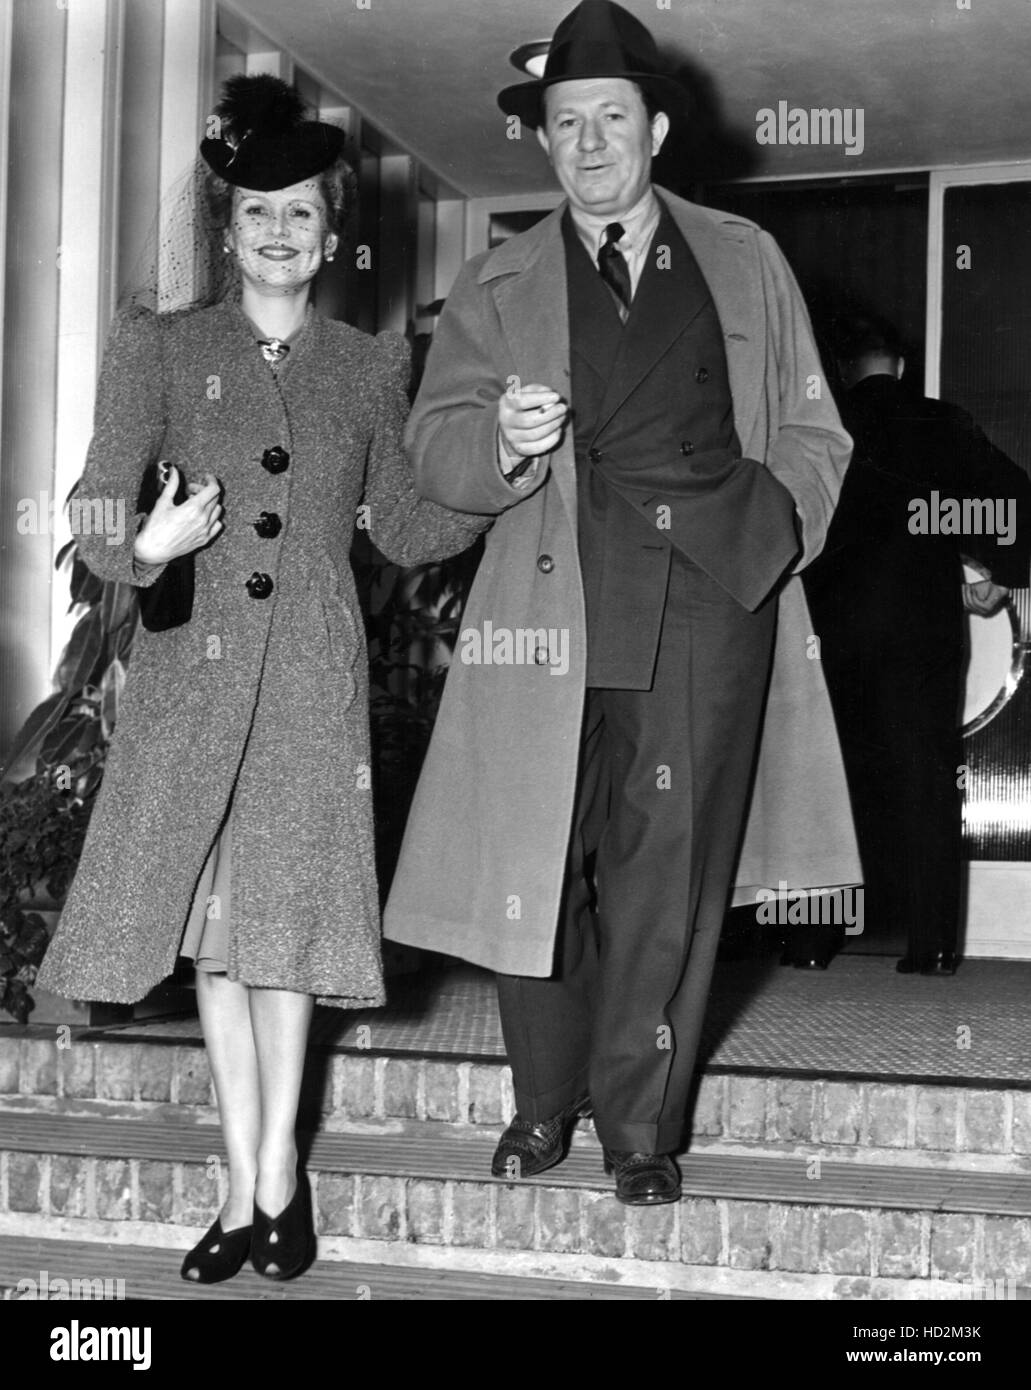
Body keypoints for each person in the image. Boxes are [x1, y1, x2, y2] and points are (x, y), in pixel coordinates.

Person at [384, 1, 856, 1205]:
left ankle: (636, 1124)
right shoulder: (495, 280)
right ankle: (545, 1101)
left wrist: (774, 531)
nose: (587, 143)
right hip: (549, 599)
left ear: (653, 126)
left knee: (670, 875)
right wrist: (495, 438)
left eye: (608, 118)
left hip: (707, 600)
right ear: (540, 144)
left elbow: (812, 427)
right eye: (562, 125)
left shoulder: (741, 255)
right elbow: (433, 448)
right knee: (533, 859)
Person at [37, 75, 484, 1282]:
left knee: (283, 934)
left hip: (309, 684)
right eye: (256, 214)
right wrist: (144, 546)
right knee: (218, 945)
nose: (279, 233)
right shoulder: (161, 345)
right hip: (193, 680)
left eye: (301, 214)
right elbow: (90, 499)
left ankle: (267, 1180)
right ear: (225, 230)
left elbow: (400, 521)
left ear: (333, 232)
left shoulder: (366, 364)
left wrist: (505, 468)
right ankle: (251, 1182)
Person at [800, 310, 1031, 975]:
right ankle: (928, 946)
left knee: (830, 782)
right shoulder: (939, 422)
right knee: (928, 778)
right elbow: (1008, 499)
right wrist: (993, 573)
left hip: (832, 630)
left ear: (844, 371)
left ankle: (811, 940)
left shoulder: (821, 428)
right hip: (919, 626)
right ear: (900, 365)